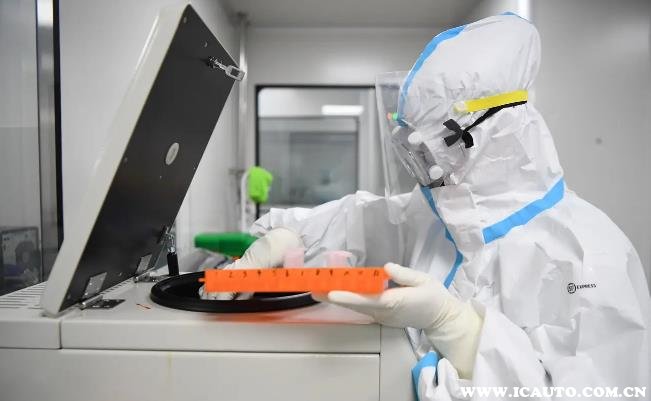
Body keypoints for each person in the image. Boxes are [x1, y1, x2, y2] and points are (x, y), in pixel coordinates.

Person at [206, 13, 650, 400]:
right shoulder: (441, 219)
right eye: (411, 147)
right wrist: (287, 236)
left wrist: (463, 332)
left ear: (491, 130)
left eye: (433, 145)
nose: (423, 165)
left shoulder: (592, 255)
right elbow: (362, 219)